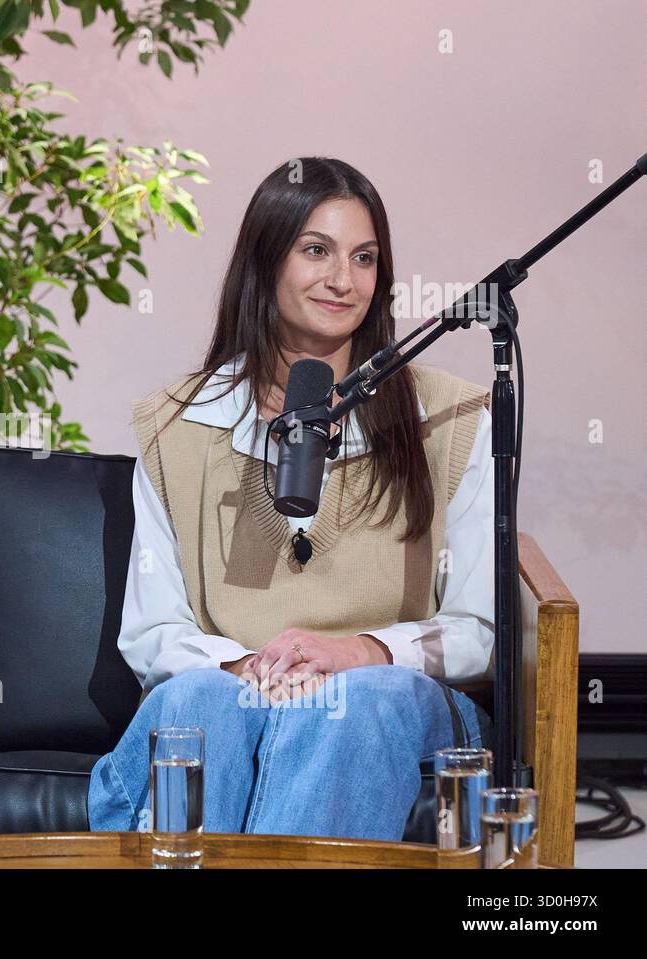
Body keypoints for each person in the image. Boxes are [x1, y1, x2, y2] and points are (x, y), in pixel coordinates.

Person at [88, 156, 495, 841]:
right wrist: (252, 668)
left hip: (392, 694)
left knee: (354, 701)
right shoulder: (176, 424)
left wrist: (358, 652)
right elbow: (154, 632)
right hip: (243, 686)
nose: (344, 279)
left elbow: (479, 631)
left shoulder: (450, 420)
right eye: (316, 251)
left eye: (364, 258)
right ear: (265, 263)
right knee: (196, 698)